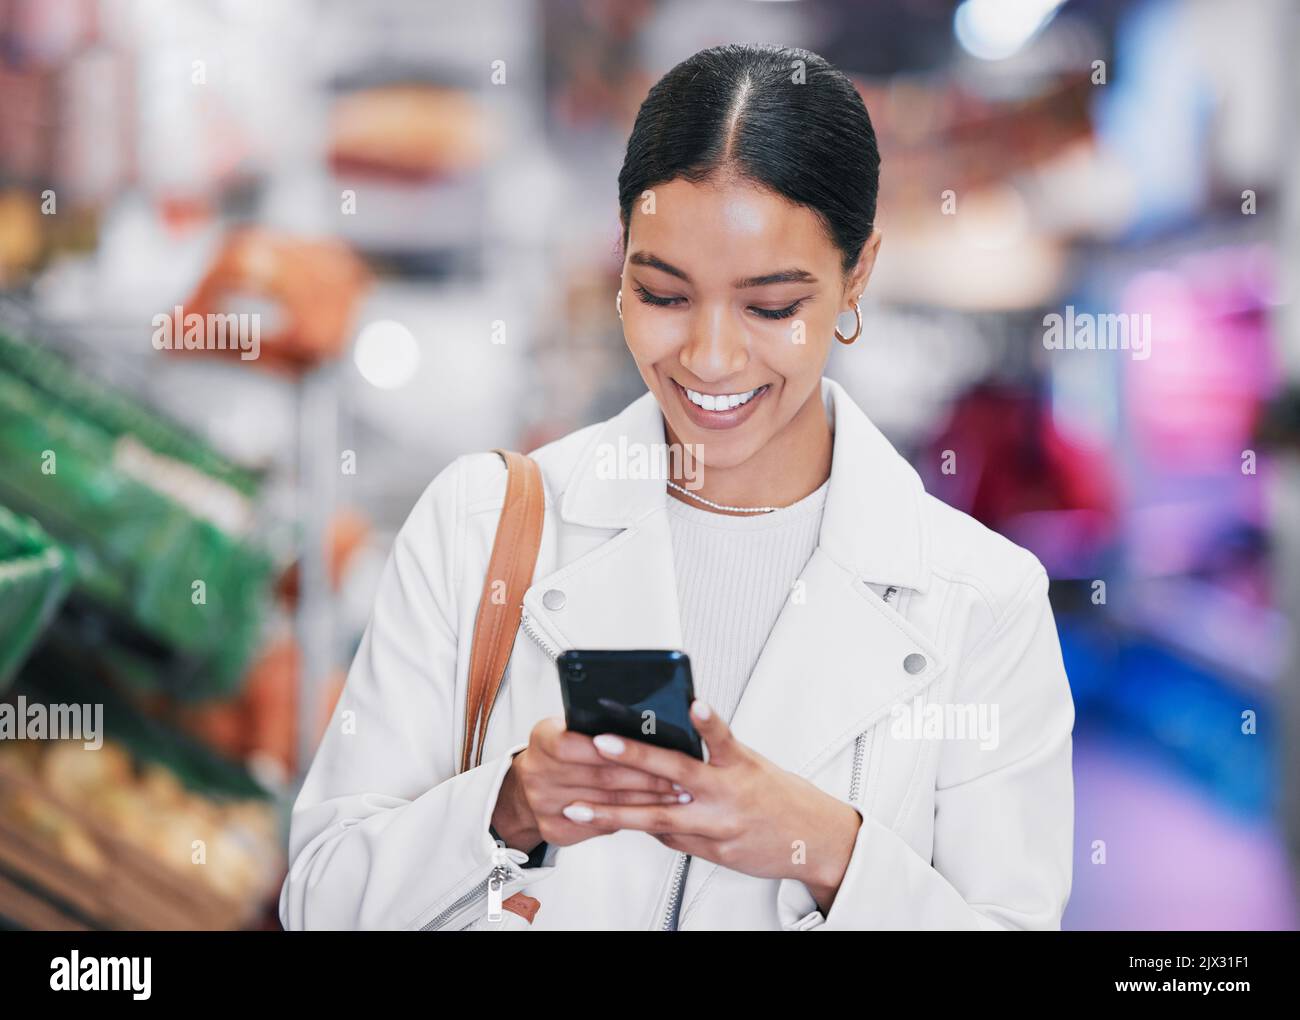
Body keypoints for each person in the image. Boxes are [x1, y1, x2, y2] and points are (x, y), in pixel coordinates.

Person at [279, 43, 1075, 931]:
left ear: (858, 276)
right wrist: (505, 810)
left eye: (772, 307)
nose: (709, 358)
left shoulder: (982, 603)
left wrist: (825, 848)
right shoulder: (479, 526)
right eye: (663, 294)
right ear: (621, 264)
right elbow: (321, 900)